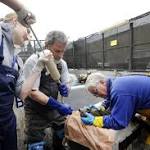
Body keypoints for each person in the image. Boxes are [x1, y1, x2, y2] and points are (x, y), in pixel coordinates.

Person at [0, 11, 53, 150]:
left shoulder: (16, 61)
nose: (29, 37)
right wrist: (20, 9)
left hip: (7, 123)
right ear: (14, 21)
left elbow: (22, 93)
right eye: (27, 30)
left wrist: (38, 66)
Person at [23, 31, 73, 150]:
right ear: (46, 46)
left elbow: (67, 82)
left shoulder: (62, 64)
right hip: (35, 111)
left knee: (63, 133)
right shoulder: (34, 61)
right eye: (57, 51)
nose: (60, 55)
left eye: (63, 51)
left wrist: (66, 88)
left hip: (53, 109)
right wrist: (58, 105)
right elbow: (33, 92)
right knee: (35, 144)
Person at [81, 72, 150, 130]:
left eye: (95, 92)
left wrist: (95, 120)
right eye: (94, 95)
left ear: (102, 82)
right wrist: (103, 106)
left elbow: (119, 122)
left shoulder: (119, 92)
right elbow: (111, 97)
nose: (96, 96)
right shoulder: (114, 82)